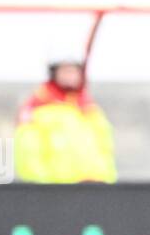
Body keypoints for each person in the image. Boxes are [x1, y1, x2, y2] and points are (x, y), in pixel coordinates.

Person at [15, 56, 116, 184]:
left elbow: (106, 149)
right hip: (57, 192)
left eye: (74, 71)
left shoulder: (91, 110)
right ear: (54, 73)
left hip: (94, 188)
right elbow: (28, 153)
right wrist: (43, 188)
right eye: (66, 71)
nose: (71, 76)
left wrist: (106, 181)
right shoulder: (37, 110)